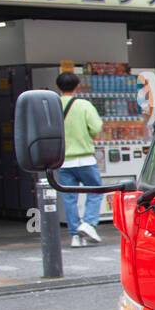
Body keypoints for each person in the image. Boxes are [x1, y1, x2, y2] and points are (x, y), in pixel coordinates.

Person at [54, 71, 104, 247]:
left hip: (63, 161)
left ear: (58, 87)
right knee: (96, 191)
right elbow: (96, 127)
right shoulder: (84, 105)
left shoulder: (54, 105)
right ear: (77, 86)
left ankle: (75, 235)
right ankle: (89, 224)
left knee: (69, 198)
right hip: (85, 159)